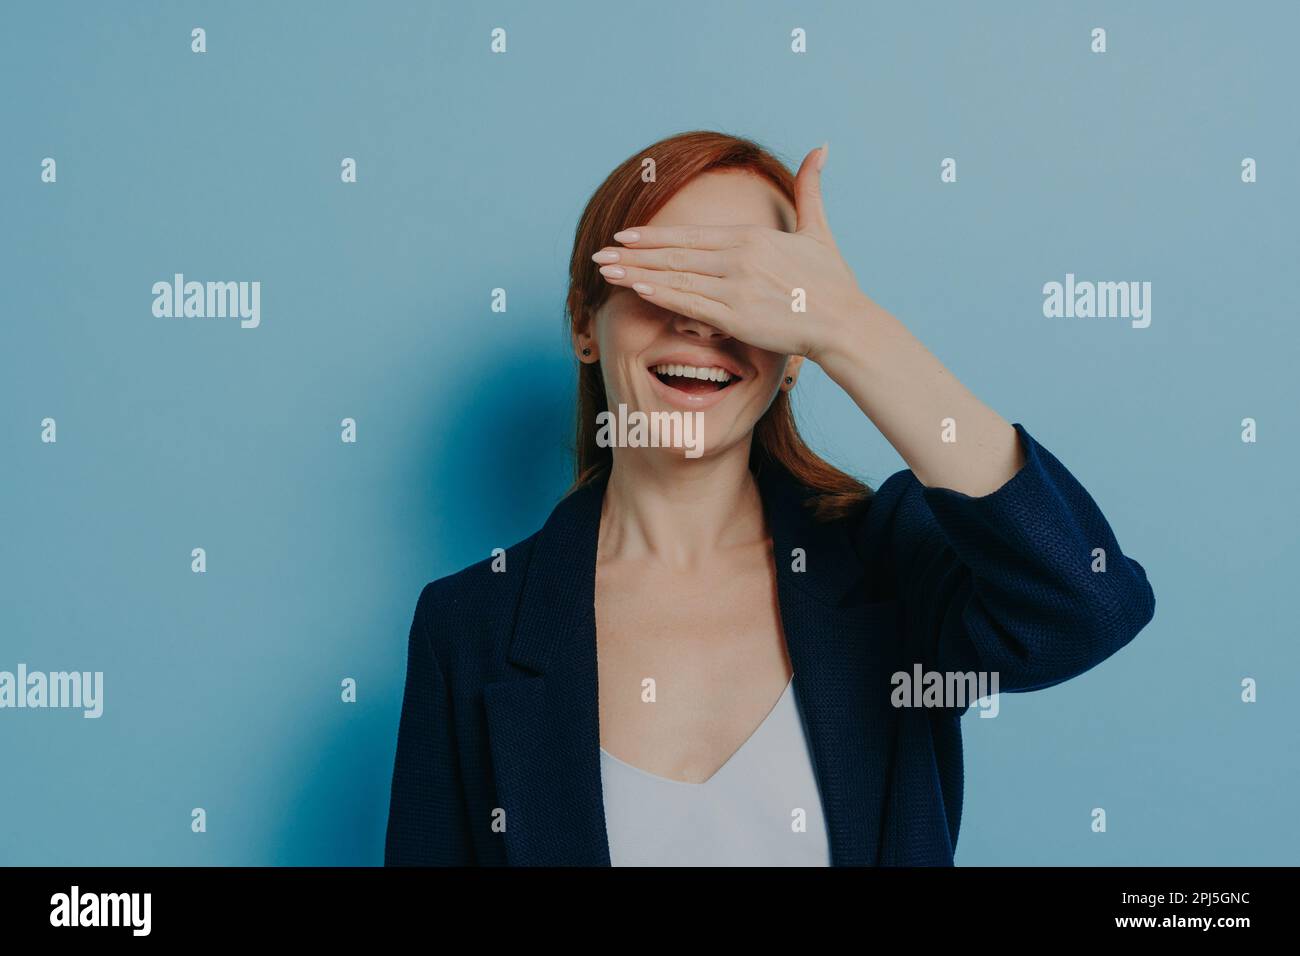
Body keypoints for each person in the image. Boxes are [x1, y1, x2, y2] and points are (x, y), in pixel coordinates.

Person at [384, 130, 1155, 866]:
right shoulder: (470, 626)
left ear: (793, 358)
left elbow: (1086, 605)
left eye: (749, 291)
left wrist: (849, 327)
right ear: (587, 323)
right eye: (665, 275)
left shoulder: (886, 563)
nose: (701, 318)